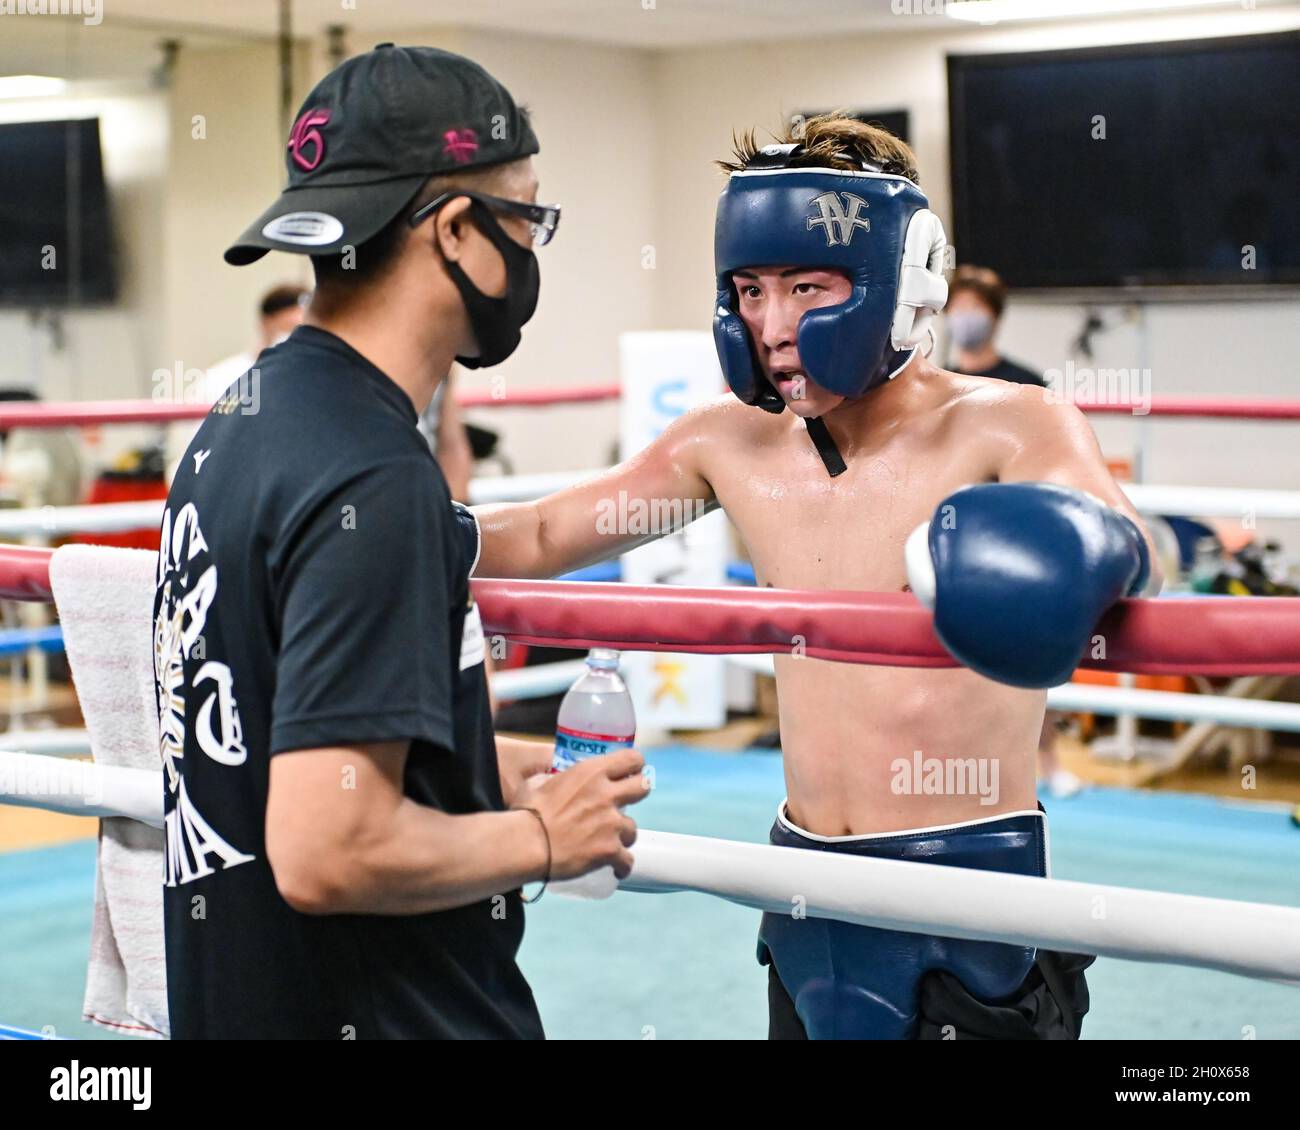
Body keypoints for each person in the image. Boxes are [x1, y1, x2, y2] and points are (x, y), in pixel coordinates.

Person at [470, 114, 1162, 1040]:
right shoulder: (728, 438)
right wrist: (366, 528)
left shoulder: (1010, 426)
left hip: (967, 898)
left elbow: (1129, 544)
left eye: (807, 286)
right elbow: (546, 529)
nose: (772, 325)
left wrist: (1078, 548)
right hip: (800, 894)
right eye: (749, 289)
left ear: (902, 280)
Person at [153, 44, 646, 1040]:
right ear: (458, 230)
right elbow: (329, 846)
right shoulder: (373, 476)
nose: (530, 252)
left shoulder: (243, 422)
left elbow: (270, 726)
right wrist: (540, 836)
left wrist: (463, 764)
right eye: (527, 218)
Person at [945, 264, 1045, 387]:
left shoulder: (1024, 383)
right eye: (959, 306)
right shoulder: (941, 384)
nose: (966, 313)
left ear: (995, 317)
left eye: (976, 306)